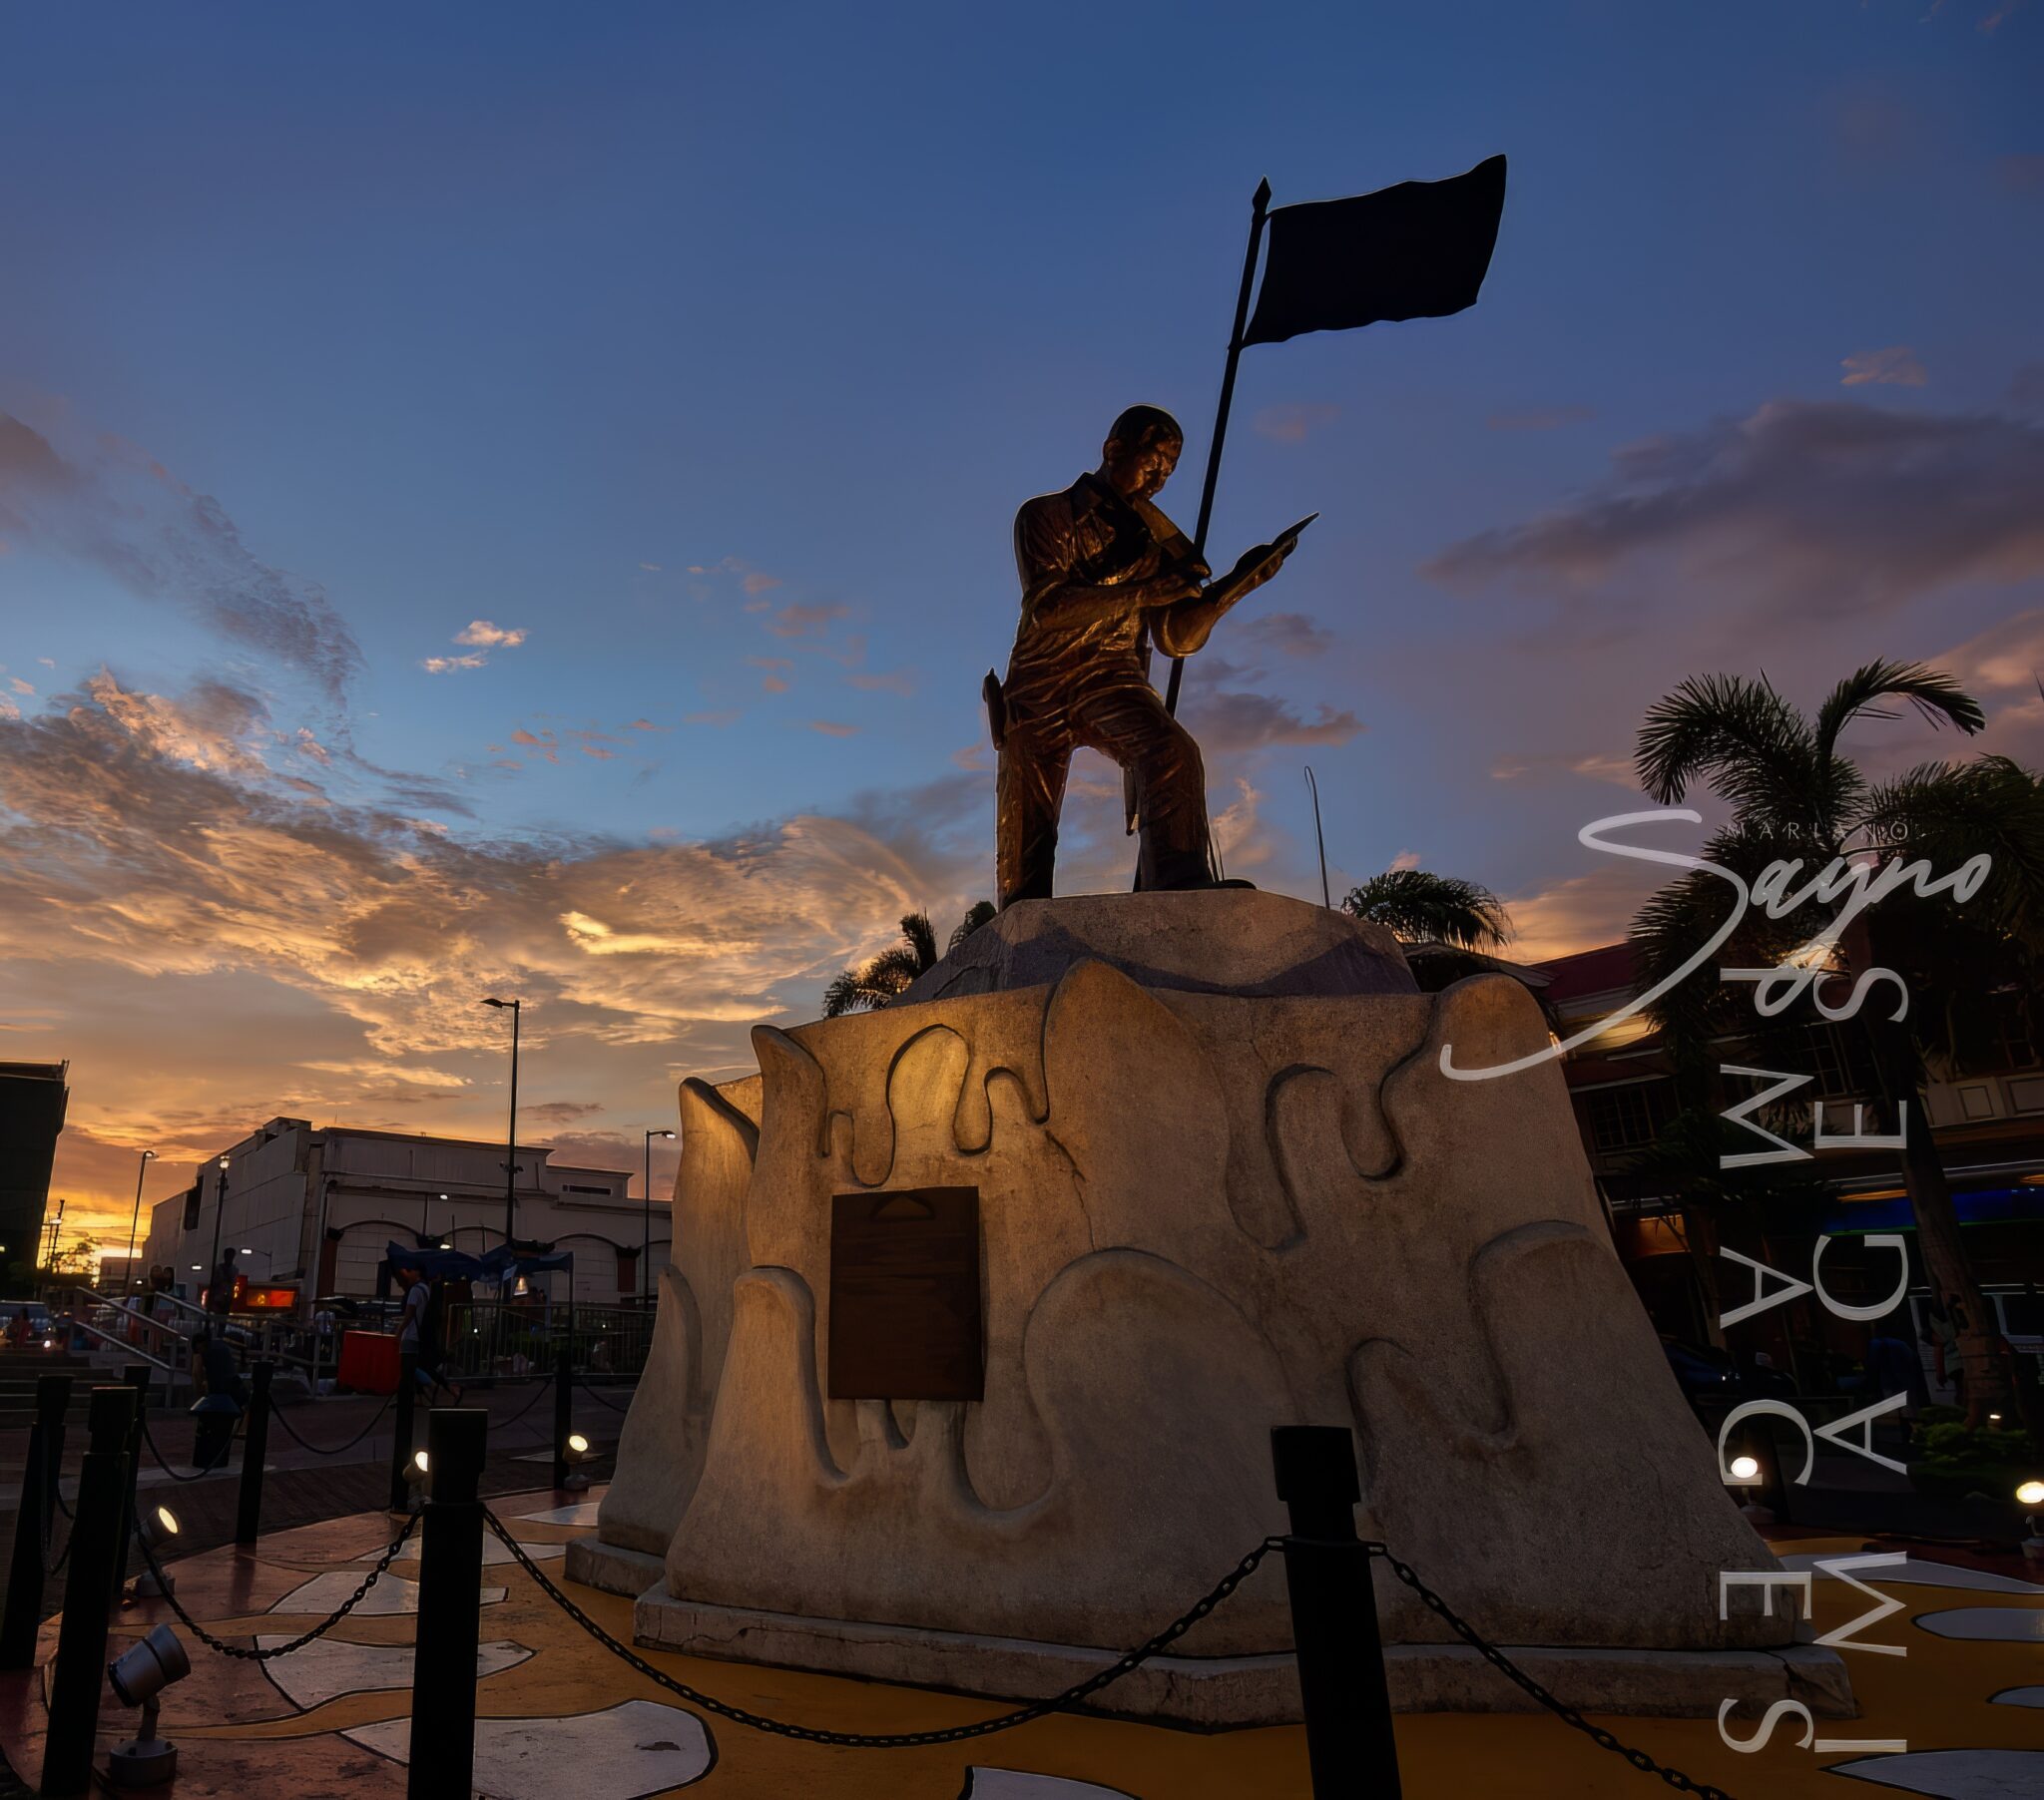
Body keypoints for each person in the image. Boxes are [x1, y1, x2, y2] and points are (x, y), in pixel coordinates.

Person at [990, 404, 1295, 907]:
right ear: (1114, 451)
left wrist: (1232, 590)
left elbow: (1176, 638)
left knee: (1172, 753)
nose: (1159, 480)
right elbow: (1047, 608)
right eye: (1153, 465)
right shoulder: (1046, 515)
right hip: (1038, 683)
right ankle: (1023, 918)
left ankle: (1179, 887)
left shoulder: (1160, 541)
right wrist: (1145, 592)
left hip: (1112, 678)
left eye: (1169, 473)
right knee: (1028, 842)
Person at [397, 1263, 462, 1404]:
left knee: (410, 1366)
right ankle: (433, 1391)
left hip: (414, 1334)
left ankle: (432, 1388)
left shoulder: (415, 1290)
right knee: (423, 1365)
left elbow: (409, 1314)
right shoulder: (427, 1289)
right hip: (425, 1334)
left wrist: (399, 1331)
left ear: (418, 1273)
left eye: (411, 1270)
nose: (408, 1273)